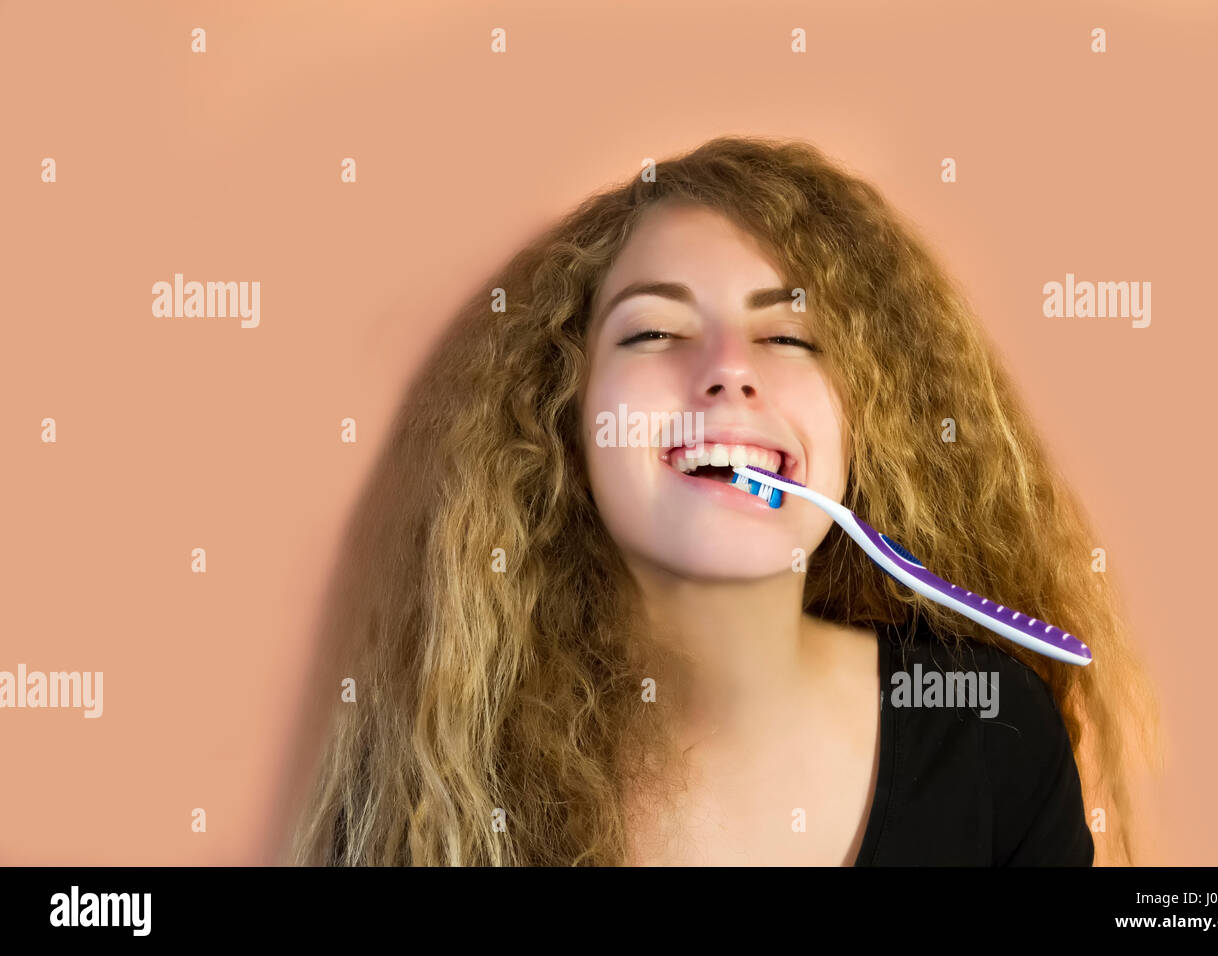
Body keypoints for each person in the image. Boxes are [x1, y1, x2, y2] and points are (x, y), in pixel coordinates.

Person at [281, 135, 1163, 866]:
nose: (730, 372)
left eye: (788, 335)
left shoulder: (986, 730)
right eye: (655, 331)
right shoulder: (441, 762)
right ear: (565, 415)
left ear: (870, 422)